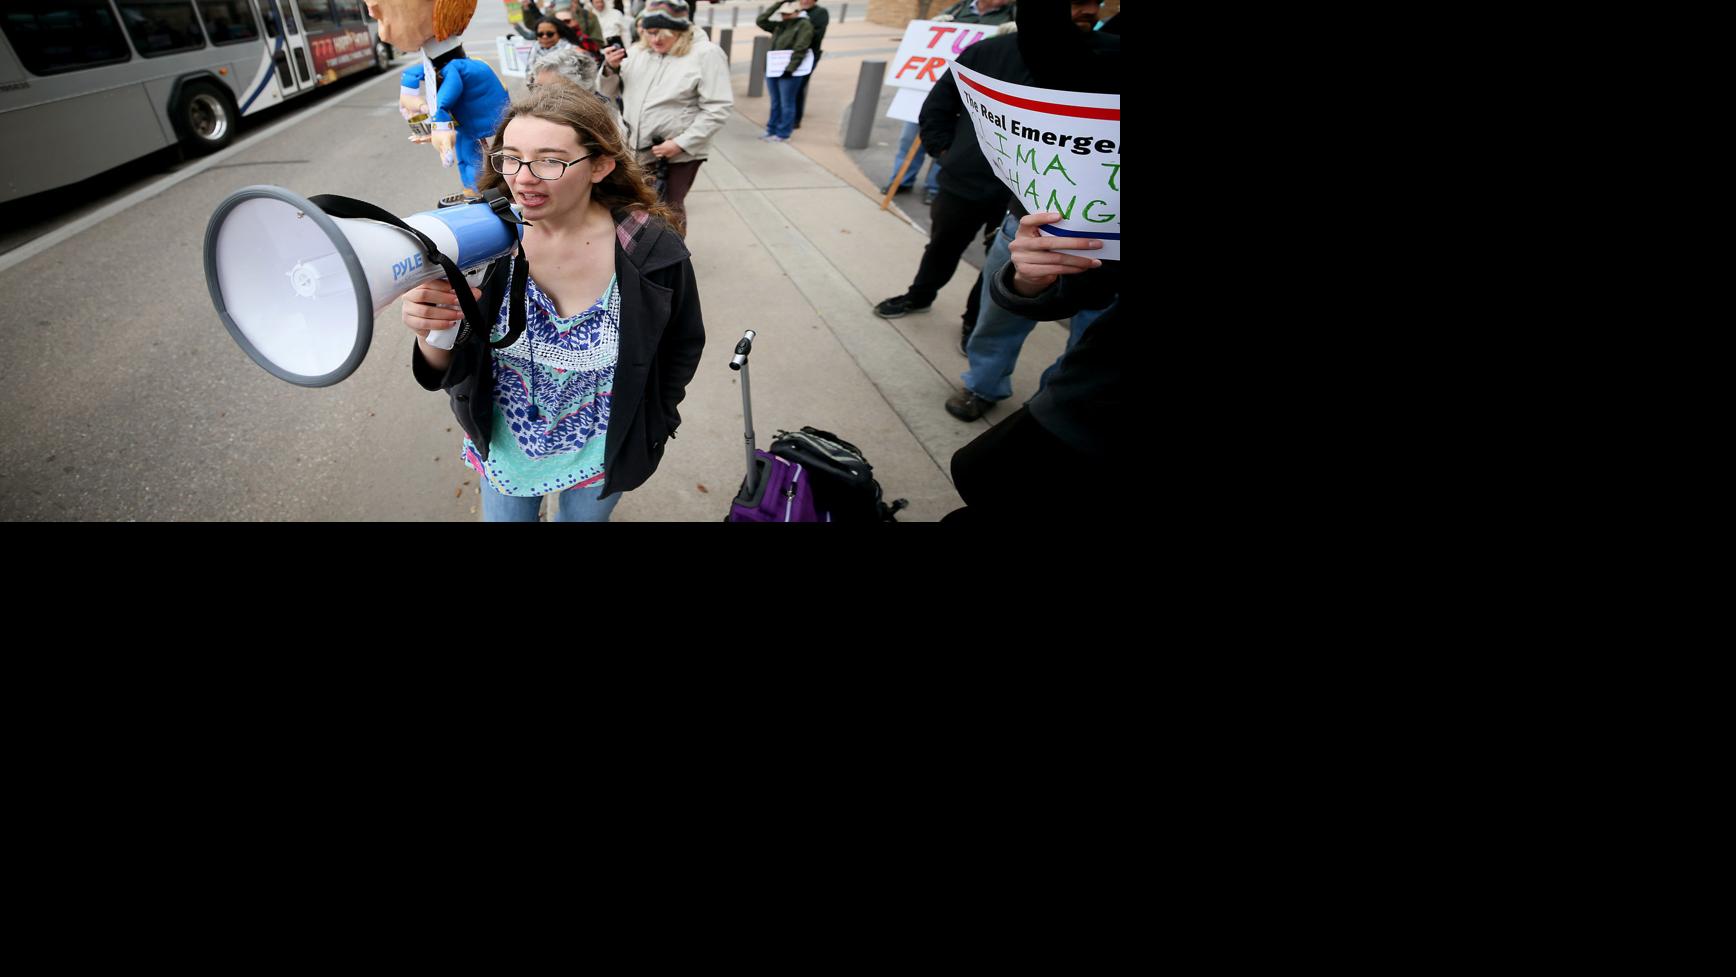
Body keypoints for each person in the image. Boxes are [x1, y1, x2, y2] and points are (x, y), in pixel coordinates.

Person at [404, 86, 706, 522]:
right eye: (510, 156)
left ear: (600, 166)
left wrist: (655, 421)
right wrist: (431, 331)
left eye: (550, 160)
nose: (523, 177)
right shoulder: (478, 244)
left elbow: (682, 344)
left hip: (603, 454)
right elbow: (447, 366)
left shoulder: (649, 249)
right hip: (506, 452)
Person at [943, 0, 1116, 421]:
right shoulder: (1057, 59)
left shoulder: (1111, 46)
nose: (1089, 9)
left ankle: (1054, 403)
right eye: (1077, 0)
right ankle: (982, 384)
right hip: (1031, 226)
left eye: (1096, 1)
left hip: (1107, 253)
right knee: (1002, 313)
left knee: (1092, 336)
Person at [599, 0, 732, 227]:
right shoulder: (639, 51)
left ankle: (673, 259)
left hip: (676, 153)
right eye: (650, 33)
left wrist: (681, 143)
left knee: (670, 209)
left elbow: (718, 107)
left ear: (682, 31)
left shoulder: (706, 54)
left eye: (664, 34)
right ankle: (645, 254)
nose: (656, 40)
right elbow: (607, 93)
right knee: (639, 205)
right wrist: (610, 68)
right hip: (636, 147)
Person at [375, 0, 513, 199]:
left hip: (489, 124)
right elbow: (419, 75)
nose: (373, 14)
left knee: (487, 157)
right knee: (470, 157)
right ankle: (476, 191)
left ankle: (482, 191)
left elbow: (444, 101)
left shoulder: (457, 70)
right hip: (475, 125)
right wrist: (410, 93)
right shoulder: (457, 67)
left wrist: (438, 125)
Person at [527, 43, 626, 140]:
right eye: (536, 88)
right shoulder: (534, 121)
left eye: (550, 91)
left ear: (581, 90)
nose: (539, 96)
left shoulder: (599, 128)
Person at [755, 1, 813, 143]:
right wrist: (780, 3)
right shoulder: (780, 26)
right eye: (782, 14)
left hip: (789, 71)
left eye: (787, 14)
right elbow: (761, 20)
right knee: (775, 102)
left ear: (797, 12)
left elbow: (801, 47)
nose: (784, 16)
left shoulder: (804, 25)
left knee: (787, 103)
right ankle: (771, 129)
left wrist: (790, 68)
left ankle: (784, 133)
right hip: (774, 68)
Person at [791, 0, 828, 130]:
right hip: (789, 55)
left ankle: (795, 119)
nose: (805, 1)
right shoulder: (795, 10)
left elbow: (816, 36)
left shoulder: (820, 13)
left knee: (798, 87)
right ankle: (787, 115)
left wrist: (804, 23)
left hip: (808, 56)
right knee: (788, 87)